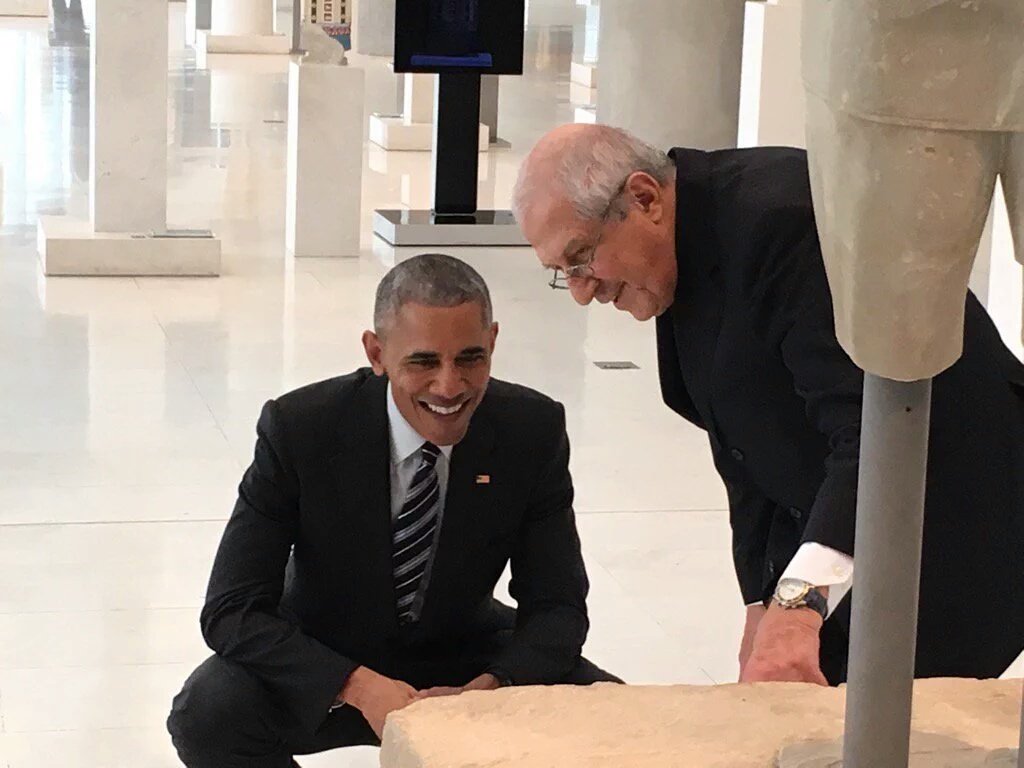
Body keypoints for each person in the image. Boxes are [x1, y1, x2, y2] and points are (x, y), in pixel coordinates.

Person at [513, 123, 1024, 686]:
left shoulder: (787, 225)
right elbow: (742, 451)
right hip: (856, 514)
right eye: (564, 274)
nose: (584, 291)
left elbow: (875, 431)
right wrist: (762, 600)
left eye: (582, 258)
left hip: (962, 510)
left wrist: (799, 603)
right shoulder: (678, 249)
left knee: (893, 731)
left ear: (644, 199)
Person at [166, 253, 619, 767]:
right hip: (323, 650)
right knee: (209, 712)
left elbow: (559, 606)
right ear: (376, 352)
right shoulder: (301, 429)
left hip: (462, 651)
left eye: (470, 358)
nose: (449, 386)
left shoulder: (530, 430)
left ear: (493, 343)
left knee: (607, 714)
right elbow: (232, 609)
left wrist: (493, 688)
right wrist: (353, 684)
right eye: (423, 361)